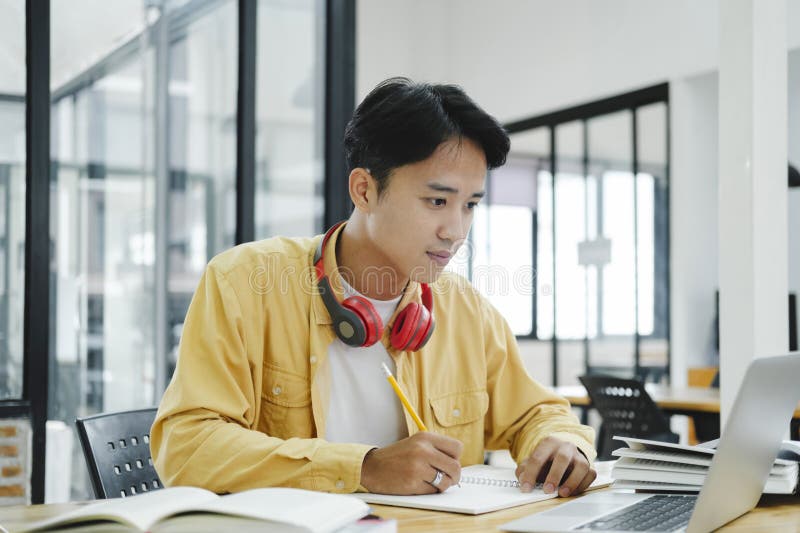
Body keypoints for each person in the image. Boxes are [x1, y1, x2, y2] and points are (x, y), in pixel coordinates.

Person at [151, 77, 596, 497]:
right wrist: (362, 468)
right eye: (437, 201)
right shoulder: (245, 283)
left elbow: (538, 413)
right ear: (364, 190)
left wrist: (561, 443)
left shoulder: (464, 310)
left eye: (470, 206)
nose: (456, 231)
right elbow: (187, 446)